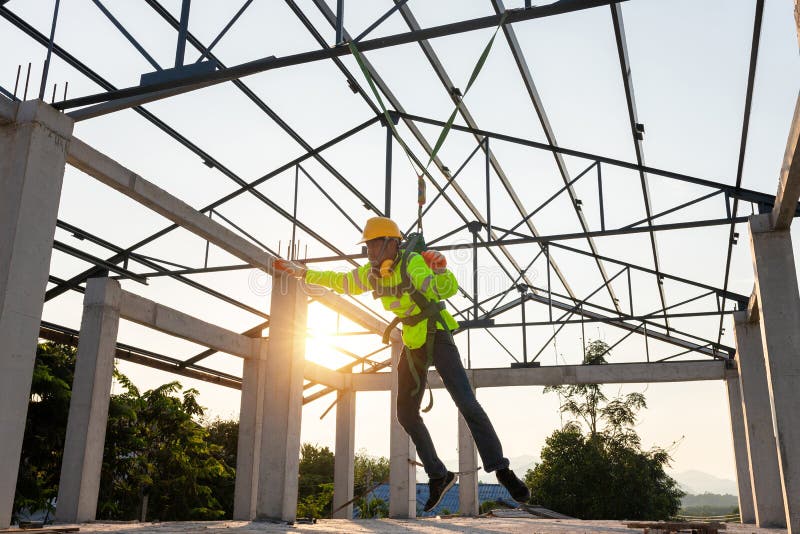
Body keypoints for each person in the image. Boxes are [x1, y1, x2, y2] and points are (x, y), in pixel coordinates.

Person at [274, 216, 530, 512]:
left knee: (466, 402)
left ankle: (501, 470)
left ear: (391, 243)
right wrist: (303, 273)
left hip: (436, 333)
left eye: (372, 245)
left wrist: (441, 269)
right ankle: (438, 474)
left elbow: (441, 290)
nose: (368, 251)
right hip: (413, 342)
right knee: (405, 413)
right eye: (366, 246)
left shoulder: (412, 263)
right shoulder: (372, 274)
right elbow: (339, 281)